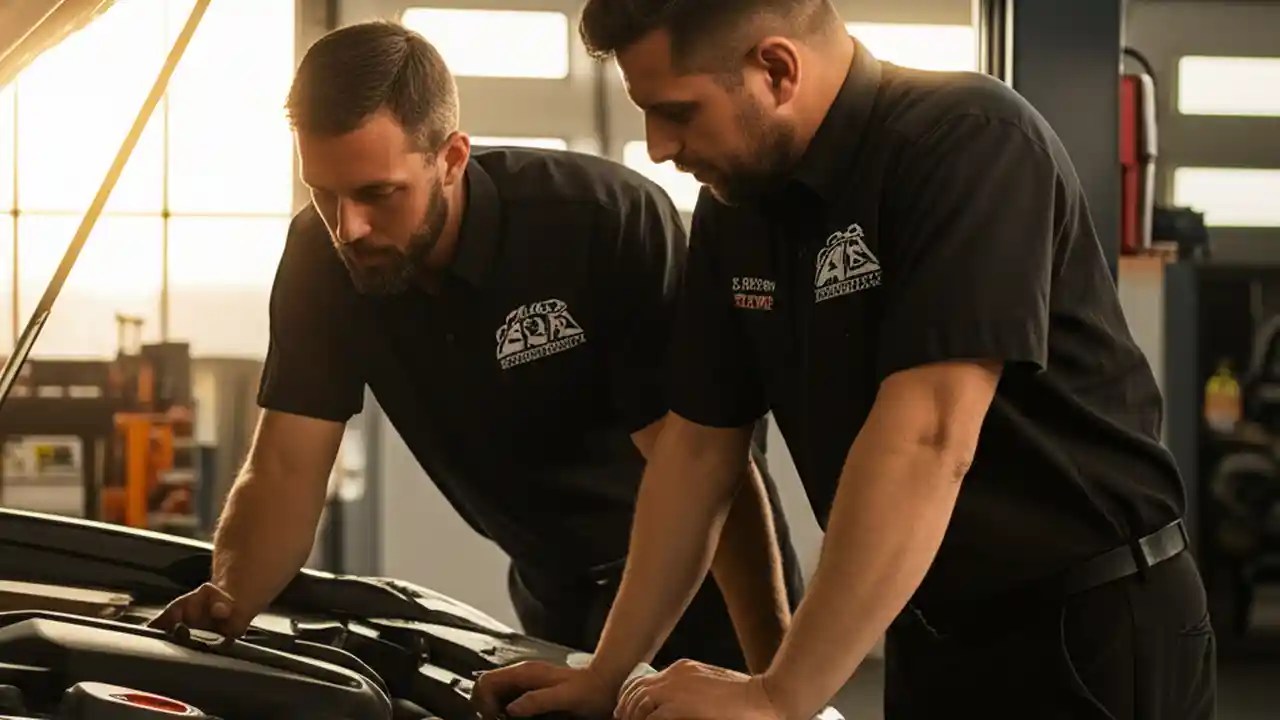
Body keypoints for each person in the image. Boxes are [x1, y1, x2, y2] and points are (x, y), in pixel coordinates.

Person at [473, 1, 1217, 719]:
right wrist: (607, 675)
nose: (660, 145)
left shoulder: (968, 140)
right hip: (928, 633)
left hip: (1087, 627)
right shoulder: (737, 207)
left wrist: (777, 696)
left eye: (678, 111)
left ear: (776, 69)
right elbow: (698, 451)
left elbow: (929, 436)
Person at [148, 20, 807, 676]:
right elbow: (286, 468)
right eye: (323, 192)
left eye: (379, 194)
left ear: (452, 159)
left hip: (708, 582)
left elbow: (703, 464)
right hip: (553, 589)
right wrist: (230, 598)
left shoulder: (599, 220)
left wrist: (774, 685)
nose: (348, 228)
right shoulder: (322, 258)